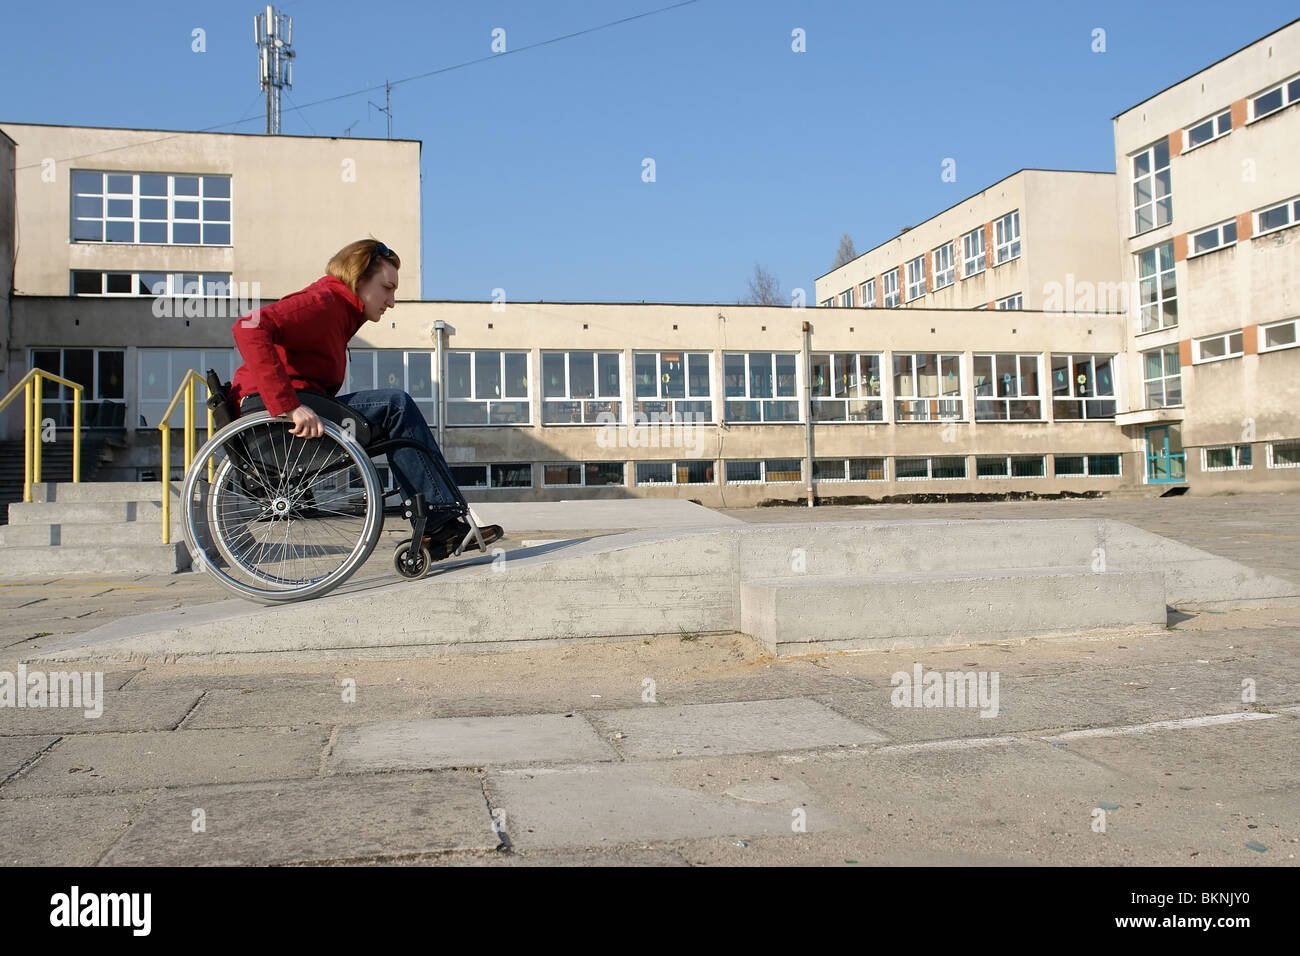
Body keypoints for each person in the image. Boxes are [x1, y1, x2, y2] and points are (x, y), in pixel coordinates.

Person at [227, 238, 503, 559]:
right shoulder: (323, 301)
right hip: (273, 416)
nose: (392, 301)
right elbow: (248, 327)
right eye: (387, 288)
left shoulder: (340, 314)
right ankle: (440, 521)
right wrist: (287, 405)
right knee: (394, 406)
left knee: (393, 413)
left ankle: (438, 520)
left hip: (296, 406)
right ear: (359, 279)